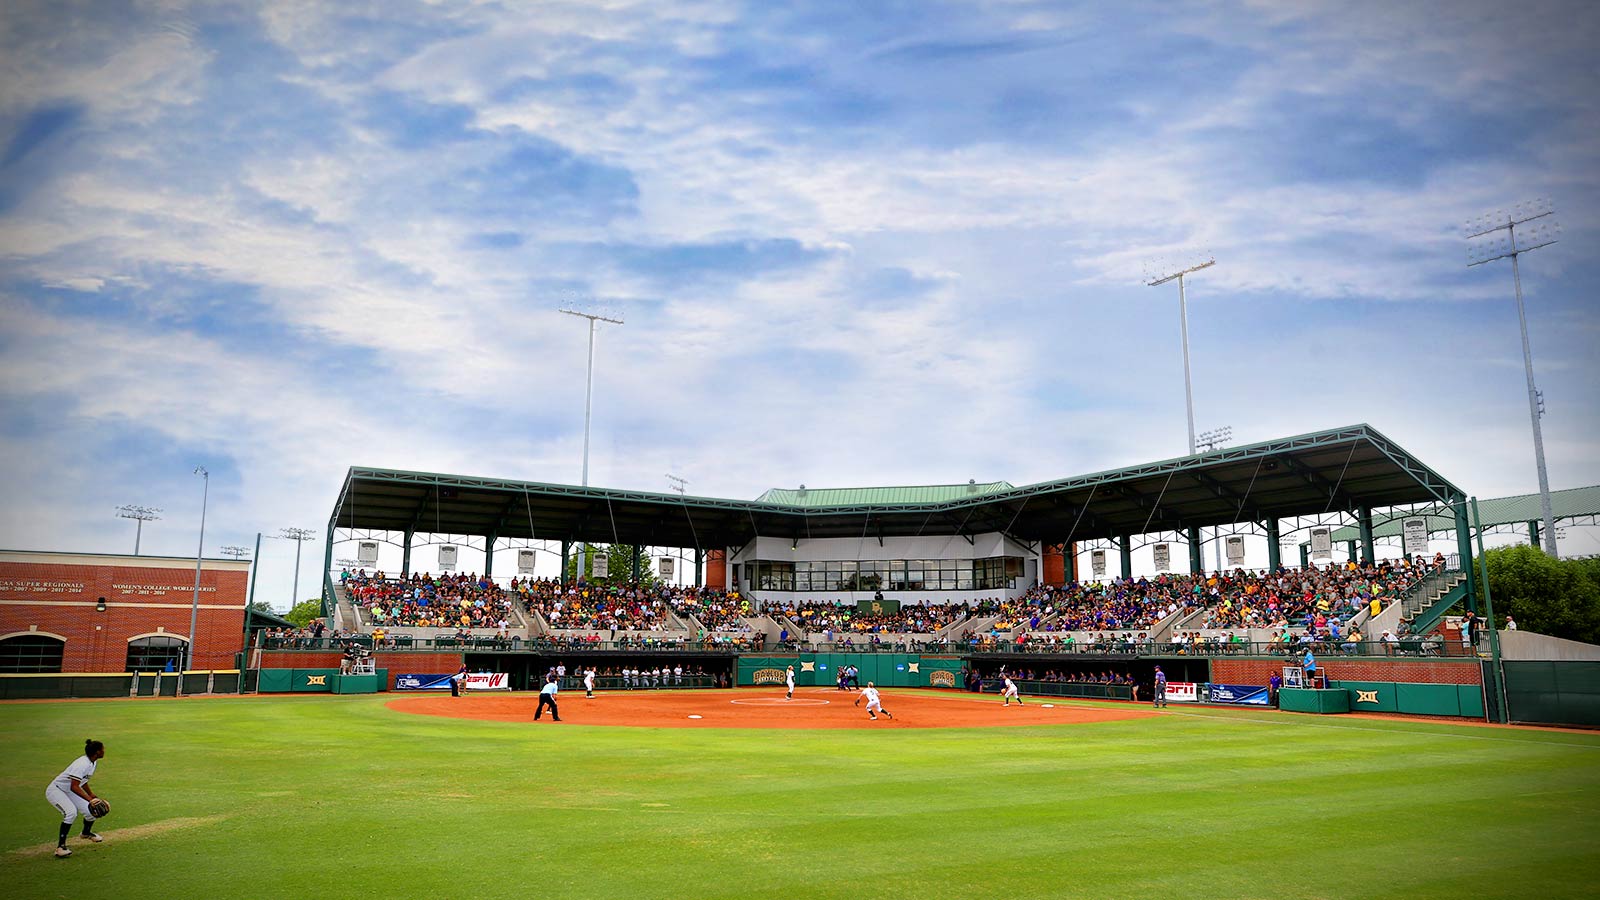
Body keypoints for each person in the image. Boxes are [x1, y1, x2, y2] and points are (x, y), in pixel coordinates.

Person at [47, 739, 105, 858]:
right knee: (71, 813)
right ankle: (60, 848)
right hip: (57, 790)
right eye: (102, 749)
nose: (104, 751)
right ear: (97, 752)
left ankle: (86, 833)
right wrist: (90, 800)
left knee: (91, 812)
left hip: (69, 790)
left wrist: (91, 795)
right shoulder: (82, 763)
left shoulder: (92, 762)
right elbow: (74, 786)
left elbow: (82, 781)